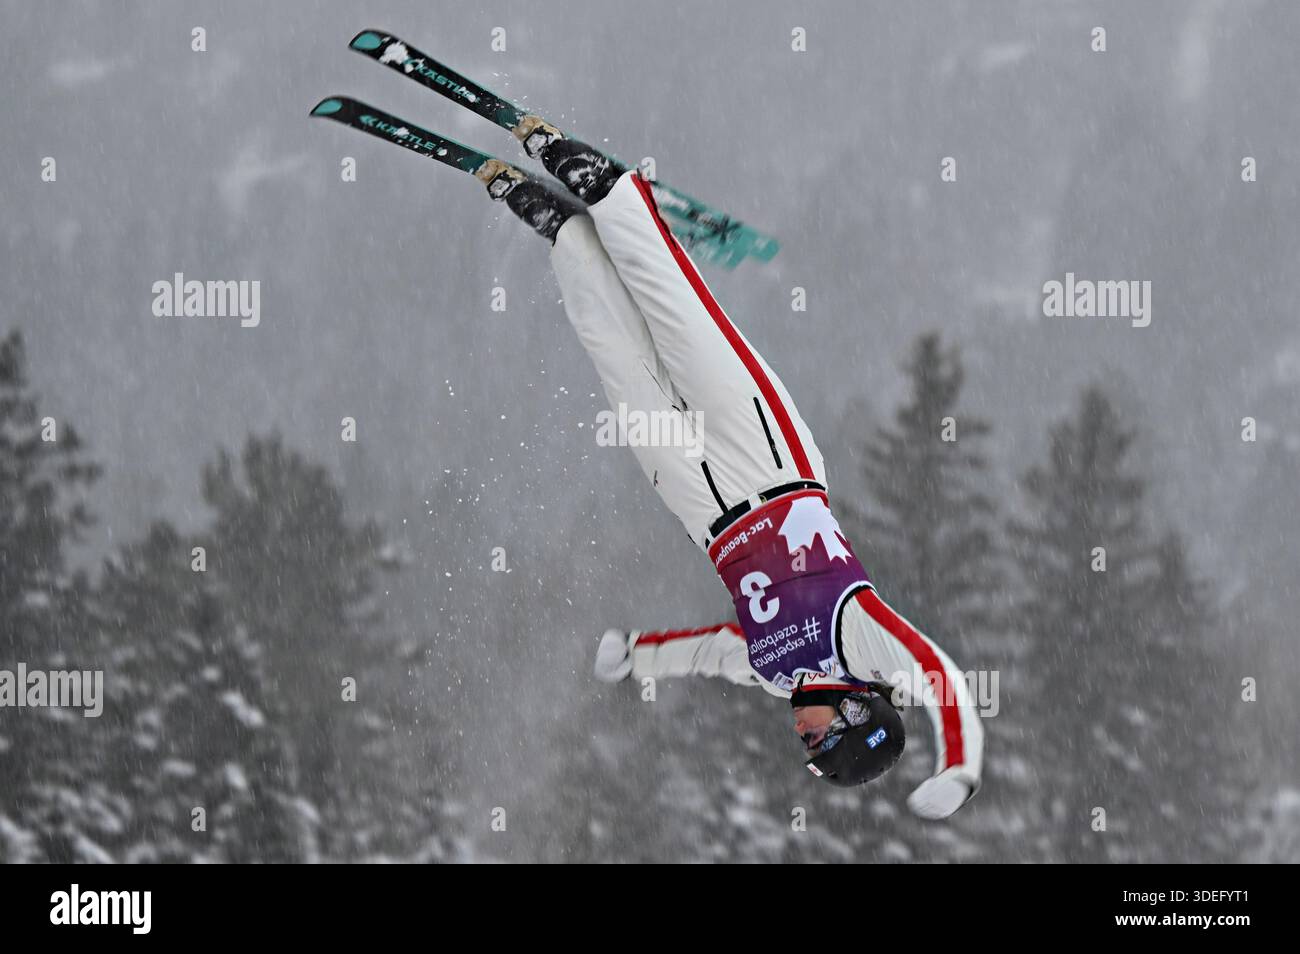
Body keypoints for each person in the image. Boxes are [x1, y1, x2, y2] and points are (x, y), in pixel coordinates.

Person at [479, 121, 984, 819]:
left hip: (704, 510)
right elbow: (942, 679)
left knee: (618, 355)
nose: (801, 741)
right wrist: (957, 770)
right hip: (771, 464)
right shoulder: (862, 642)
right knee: (683, 323)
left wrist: (637, 656)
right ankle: (607, 189)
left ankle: (564, 233)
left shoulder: (776, 673)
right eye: (818, 744)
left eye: (810, 752)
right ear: (853, 717)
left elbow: (711, 652)